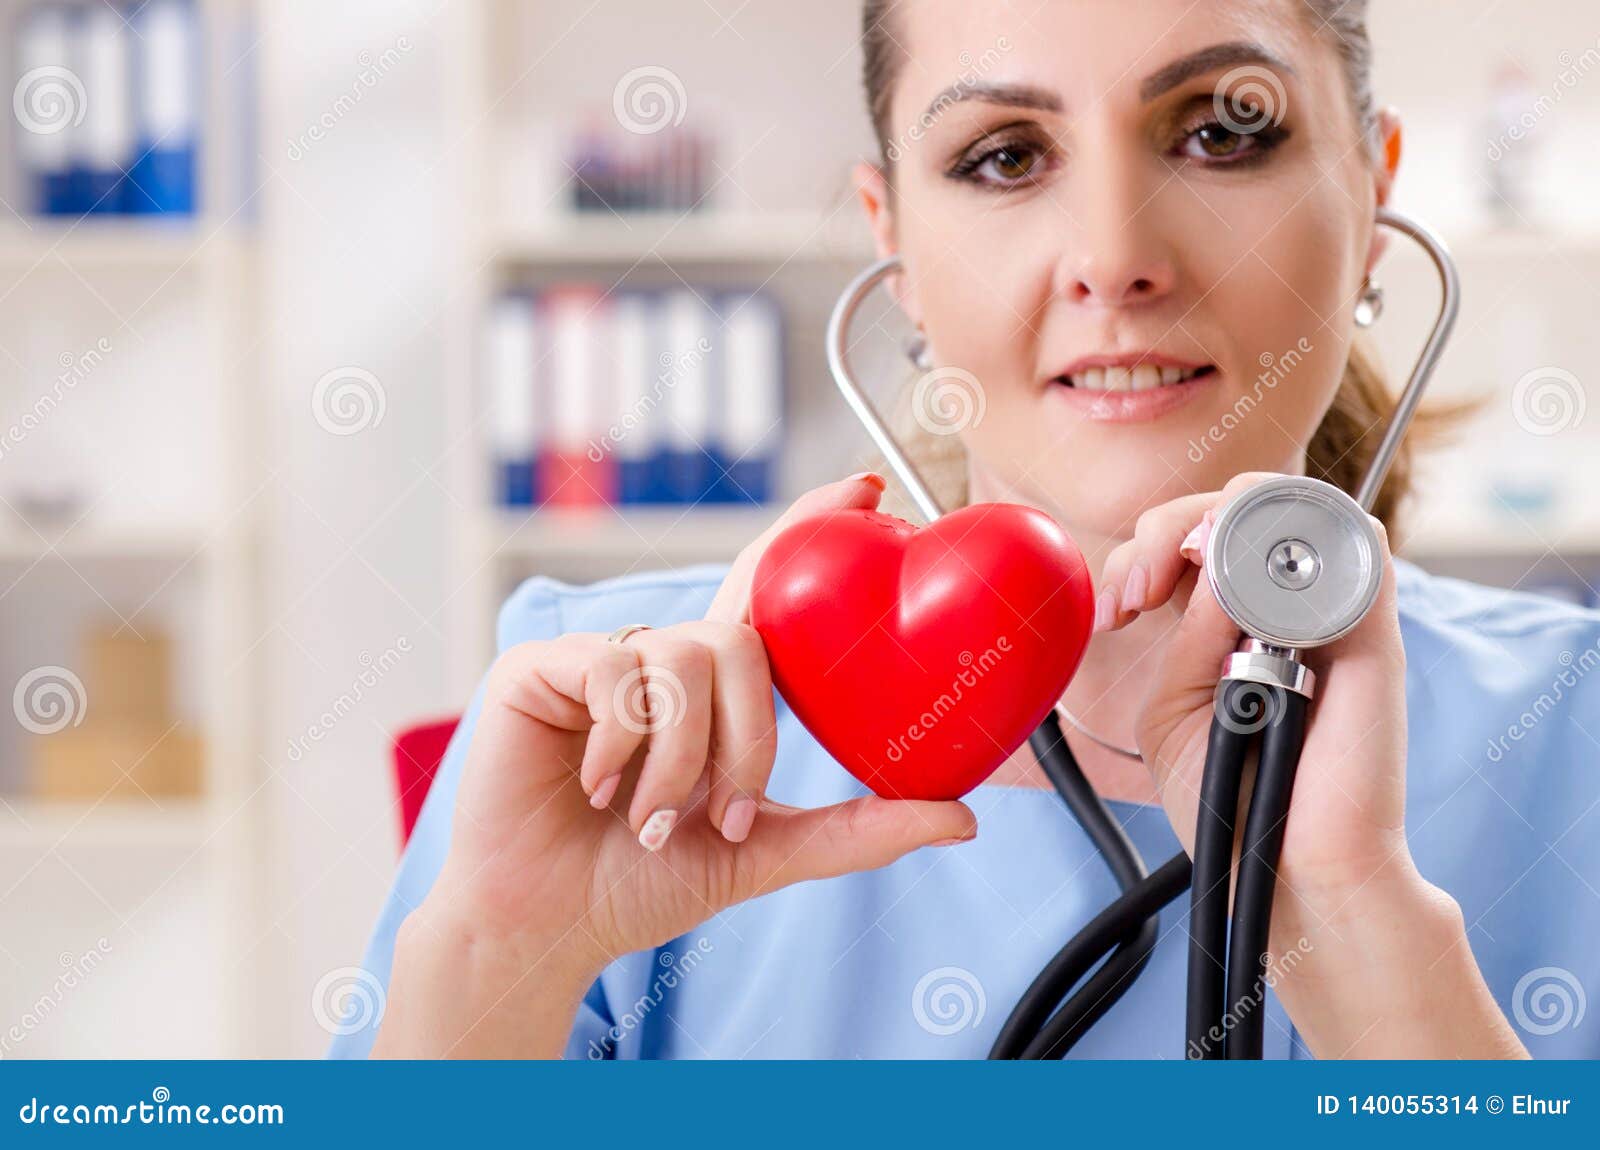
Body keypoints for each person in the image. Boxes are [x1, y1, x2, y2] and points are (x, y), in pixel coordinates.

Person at [339, 0, 1600, 1059]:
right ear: (893, 240)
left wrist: (1355, 920)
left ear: (1373, 193)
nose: (1113, 259)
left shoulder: (1572, 732)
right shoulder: (601, 726)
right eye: (1004, 157)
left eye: (1222, 132)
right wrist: (503, 963)